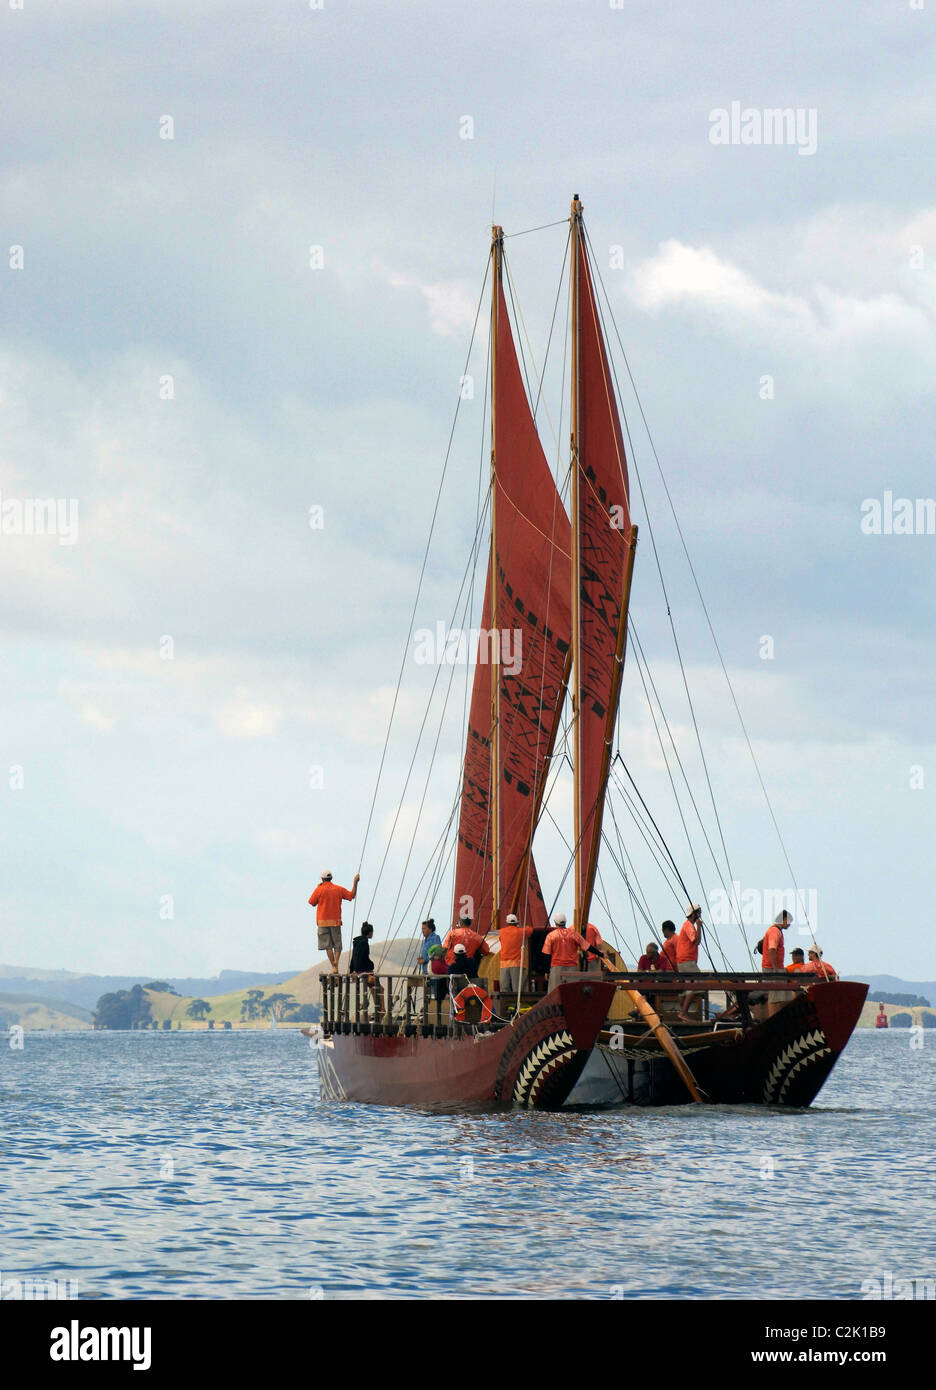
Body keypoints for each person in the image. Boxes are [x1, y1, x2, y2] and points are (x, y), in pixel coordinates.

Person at [308, 870, 359, 973]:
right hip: (335, 921)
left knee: (328, 946)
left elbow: (312, 902)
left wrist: (319, 888)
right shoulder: (338, 889)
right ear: (331, 878)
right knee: (337, 945)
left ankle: (334, 967)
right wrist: (355, 882)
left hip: (322, 922)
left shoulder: (319, 889)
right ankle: (336, 963)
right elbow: (351, 895)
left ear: (322, 879)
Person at [541, 911, 589, 992]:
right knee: (573, 992)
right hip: (572, 968)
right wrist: (600, 954)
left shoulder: (551, 936)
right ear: (565, 922)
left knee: (554, 992)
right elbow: (587, 947)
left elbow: (547, 955)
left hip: (557, 968)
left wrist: (546, 971)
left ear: (555, 923)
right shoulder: (574, 934)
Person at [761, 910, 792, 1017]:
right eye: (788, 921)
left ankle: (779, 1016)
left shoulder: (775, 930)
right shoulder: (775, 931)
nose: (789, 924)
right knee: (775, 996)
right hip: (772, 968)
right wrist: (775, 968)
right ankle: (773, 1018)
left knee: (783, 995)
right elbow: (772, 949)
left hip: (777, 967)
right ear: (784, 920)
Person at [349, 922, 384, 1015]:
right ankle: (382, 1010)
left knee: (373, 988)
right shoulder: (364, 943)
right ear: (370, 933)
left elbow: (354, 957)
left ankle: (379, 1009)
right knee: (380, 989)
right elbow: (364, 958)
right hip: (364, 971)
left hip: (358, 970)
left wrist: (351, 970)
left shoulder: (356, 942)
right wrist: (371, 965)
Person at [676, 904, 703, 1023]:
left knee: (690, 986)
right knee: (697, 983)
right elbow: (696, 941)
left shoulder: (688, 925)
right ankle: (683, 1012)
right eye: (699, 913)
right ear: (694, 914)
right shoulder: (689, 926)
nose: (700, 915)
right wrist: (699, 926)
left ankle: (683, 1012)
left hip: (684, 960)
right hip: (687, 960)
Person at [498, 912, 533, 998]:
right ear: (516, 922)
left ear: (507, 922)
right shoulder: (521, 931)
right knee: (518, 988)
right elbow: (530, 930)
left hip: (504, 965)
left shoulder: (502, 932)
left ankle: (506, 1007)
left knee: (504, 988)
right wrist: (520, 926)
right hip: (517, 964)